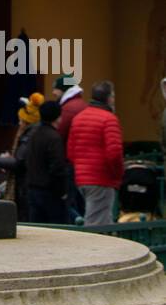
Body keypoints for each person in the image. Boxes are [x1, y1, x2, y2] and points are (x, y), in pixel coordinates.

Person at [67, 80, 124, 225]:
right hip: (101, 178)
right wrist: (117, 175)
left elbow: (70, 152)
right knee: (98, 224)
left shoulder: (78, 118)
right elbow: (114, 153)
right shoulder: (109, 119)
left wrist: (81, 168)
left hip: (82, 178)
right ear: (109, 98)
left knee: (98, 217)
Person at [0, 92, 44, 222]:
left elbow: (19, 162)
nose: (19, 122)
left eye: (21, 119)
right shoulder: (32, 133)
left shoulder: (29, 135)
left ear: (27, 121)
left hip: (25, 186)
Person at [24, 100, 69, 223]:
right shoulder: (54, 138)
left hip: (33, 188)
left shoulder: (33, 134)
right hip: (50, 192)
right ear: (57, 117)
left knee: (37, 229)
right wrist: (62, 192)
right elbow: (58, 167)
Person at [52, 74, 87, 221]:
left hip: (71, 161)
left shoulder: (68, 109)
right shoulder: (81, 104)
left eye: (56, 89)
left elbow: (58, 135)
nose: (53, 92)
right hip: (82, 160)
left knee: (70, 202)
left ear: (63, 89)